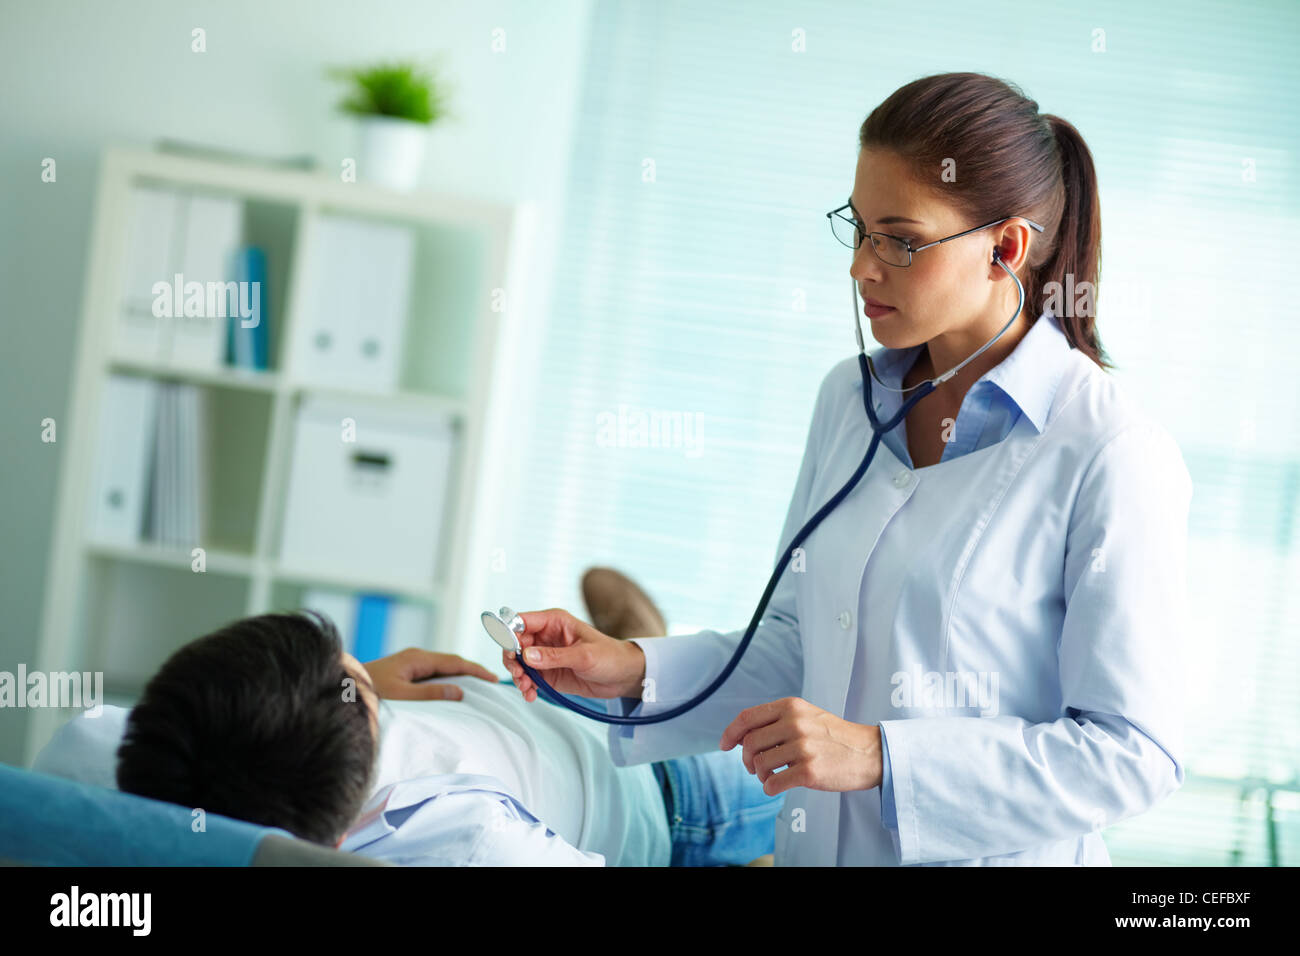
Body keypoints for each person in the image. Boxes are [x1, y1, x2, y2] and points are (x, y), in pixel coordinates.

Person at [501, 72, 1194, 866]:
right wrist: (629, 669)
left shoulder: (1107, 452)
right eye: (859, 229)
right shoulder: (849, 400)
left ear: (1006, 247)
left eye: (900, 239)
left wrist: (880, 757)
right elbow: (800, 644)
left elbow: (1133, 752)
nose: (862, 268)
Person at [34, 609, 780, 866]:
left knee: (634, 659)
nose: (361, 666)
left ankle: (638, 628)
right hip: (663, 794)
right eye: (354, 677)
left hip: (549, 715)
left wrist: (372, 683)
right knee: (793, 751)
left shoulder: (127, 759)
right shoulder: (476, 843)